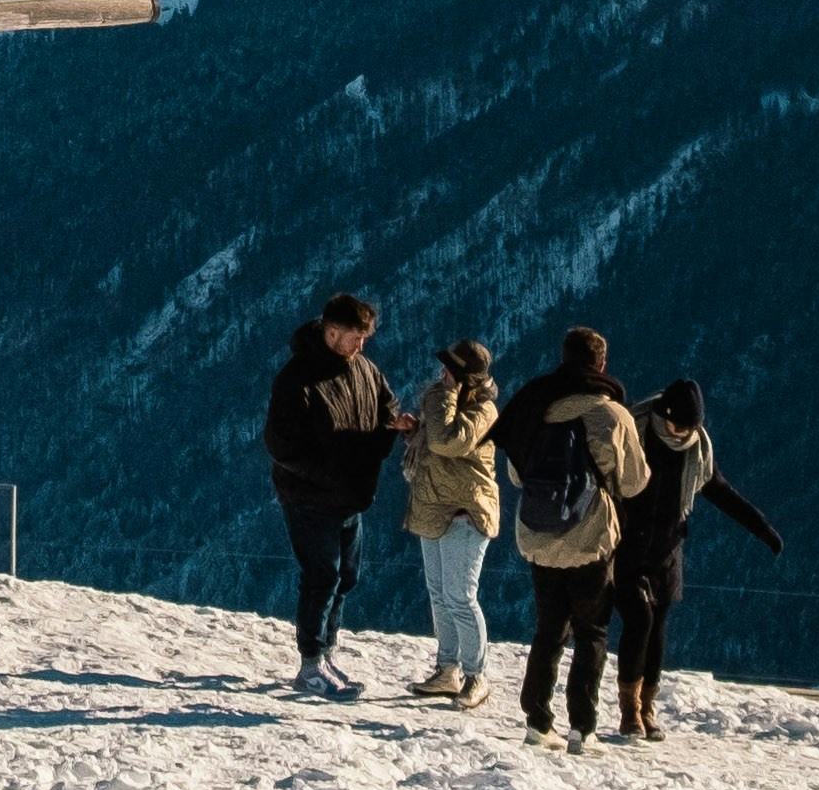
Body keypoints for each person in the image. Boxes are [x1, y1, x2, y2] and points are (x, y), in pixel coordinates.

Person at [496, 322, 646, 740]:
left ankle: (537, 722)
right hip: (590, 541)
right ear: (601, 362)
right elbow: (635, 482)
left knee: (548, 630)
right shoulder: (611, 415)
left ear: (563, 358)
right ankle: (583, 728)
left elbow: (515, 474)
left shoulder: (533, 405)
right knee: (591, 632)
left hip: (538, 538)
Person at [611, 375, 782, 736]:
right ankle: (629, 709)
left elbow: (718, 490)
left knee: (657, 627)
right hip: (627, 546)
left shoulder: (696, 447)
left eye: (690, 426)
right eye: (677, 424)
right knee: (638, 620)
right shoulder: (636, 433)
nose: (682, 432)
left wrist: (762, 528)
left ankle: (647, 708)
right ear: (663, 413)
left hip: (668, 550)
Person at [261, 297, 398, 699]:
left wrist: (394, 427)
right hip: (310, 498)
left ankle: (326, 653)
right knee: (322, 576)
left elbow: (385, 408)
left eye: (364, 339)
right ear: (331, 331)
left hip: (352, 496)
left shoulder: (365, 369)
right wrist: (327, 474)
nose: (360, 347)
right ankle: (309, 664)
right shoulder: (297, 377)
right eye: (355, 338)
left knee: (346, 577)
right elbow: (281, 444)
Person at [394, 338, 503, 703]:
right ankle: (447, 670)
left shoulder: (484, 411)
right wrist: (414, 433)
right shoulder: (449, 404)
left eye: (450, 371)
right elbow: (435, 444)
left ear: (464, 378)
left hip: (466, 512)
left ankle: (476, 676)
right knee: (440, 595)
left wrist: (444, 399)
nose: (442, 375)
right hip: (435, 508)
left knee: (460, 596)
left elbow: (448, 443)